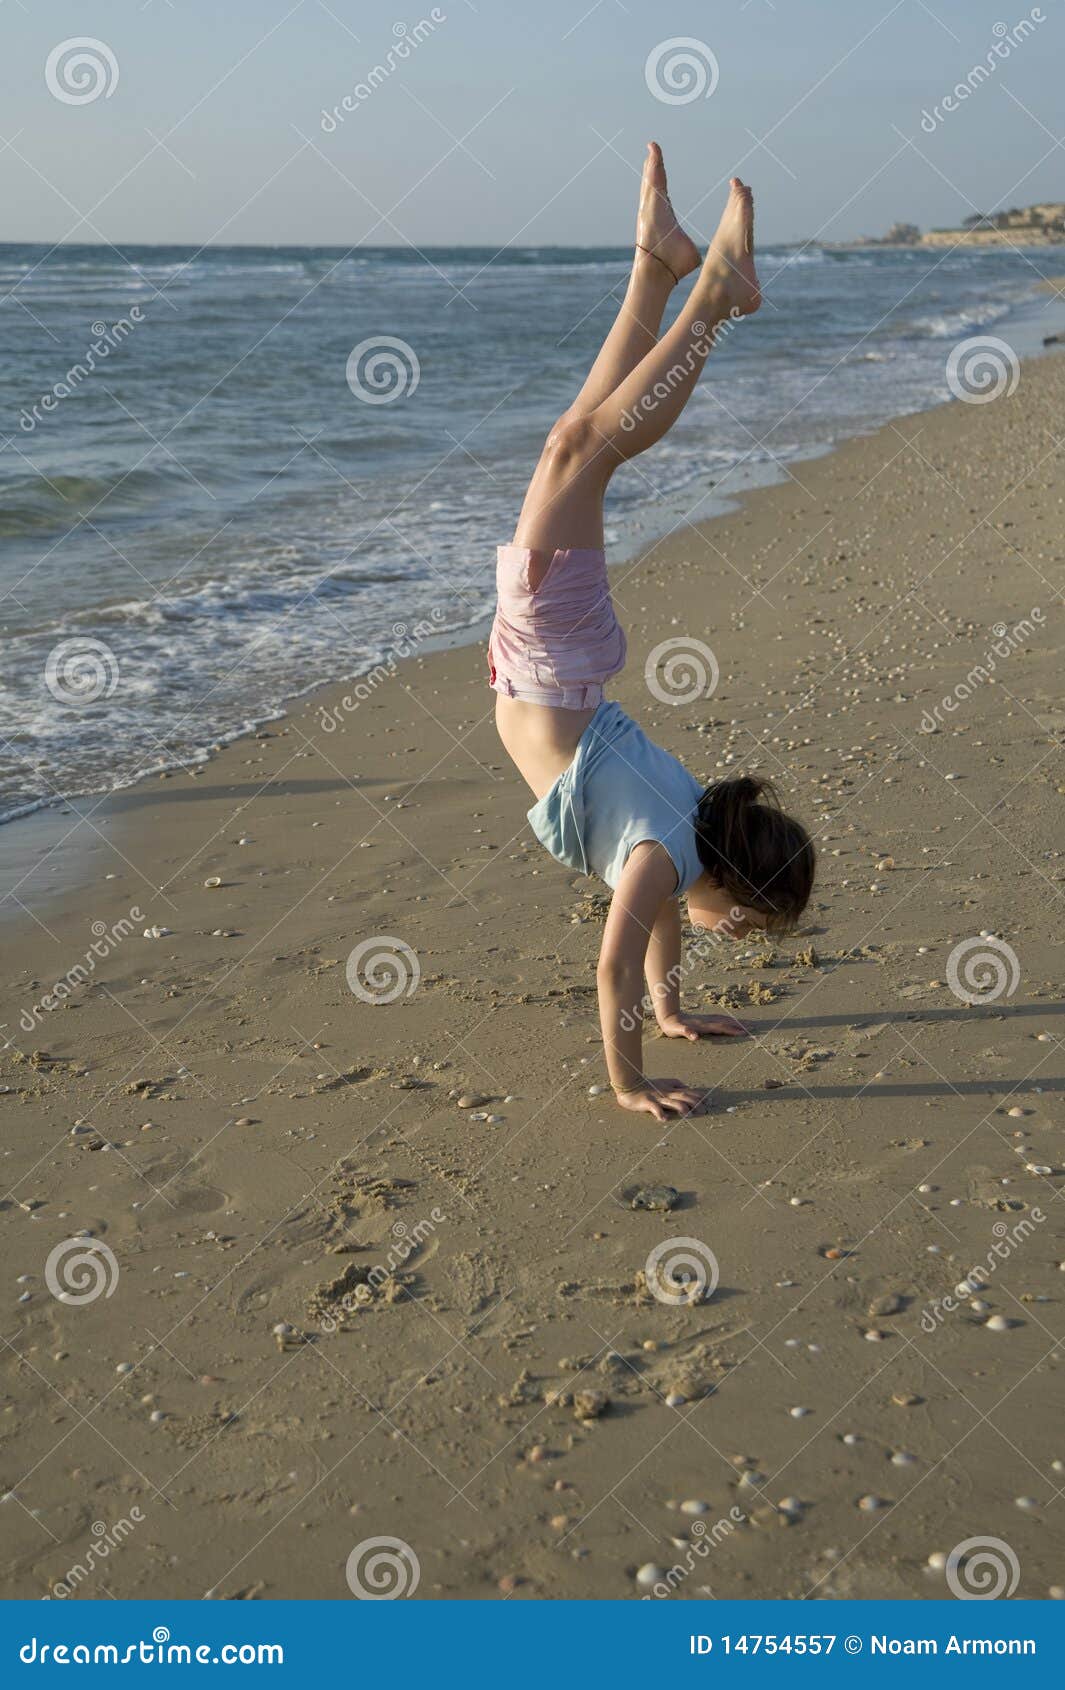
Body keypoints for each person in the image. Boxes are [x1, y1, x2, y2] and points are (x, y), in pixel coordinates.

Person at [489, 145, 816, 1124]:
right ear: (735, 884)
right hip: (554, 653)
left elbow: (655, 943)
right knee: (588, 449)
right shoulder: (664, 858)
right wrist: (628, 1082)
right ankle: (712, 298)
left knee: (574, 441)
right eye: (747, 928)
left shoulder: (681, 842)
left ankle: (661, 263)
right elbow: (612, 965)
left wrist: (672, 1013)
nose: (731, 935)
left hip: (549, 660)